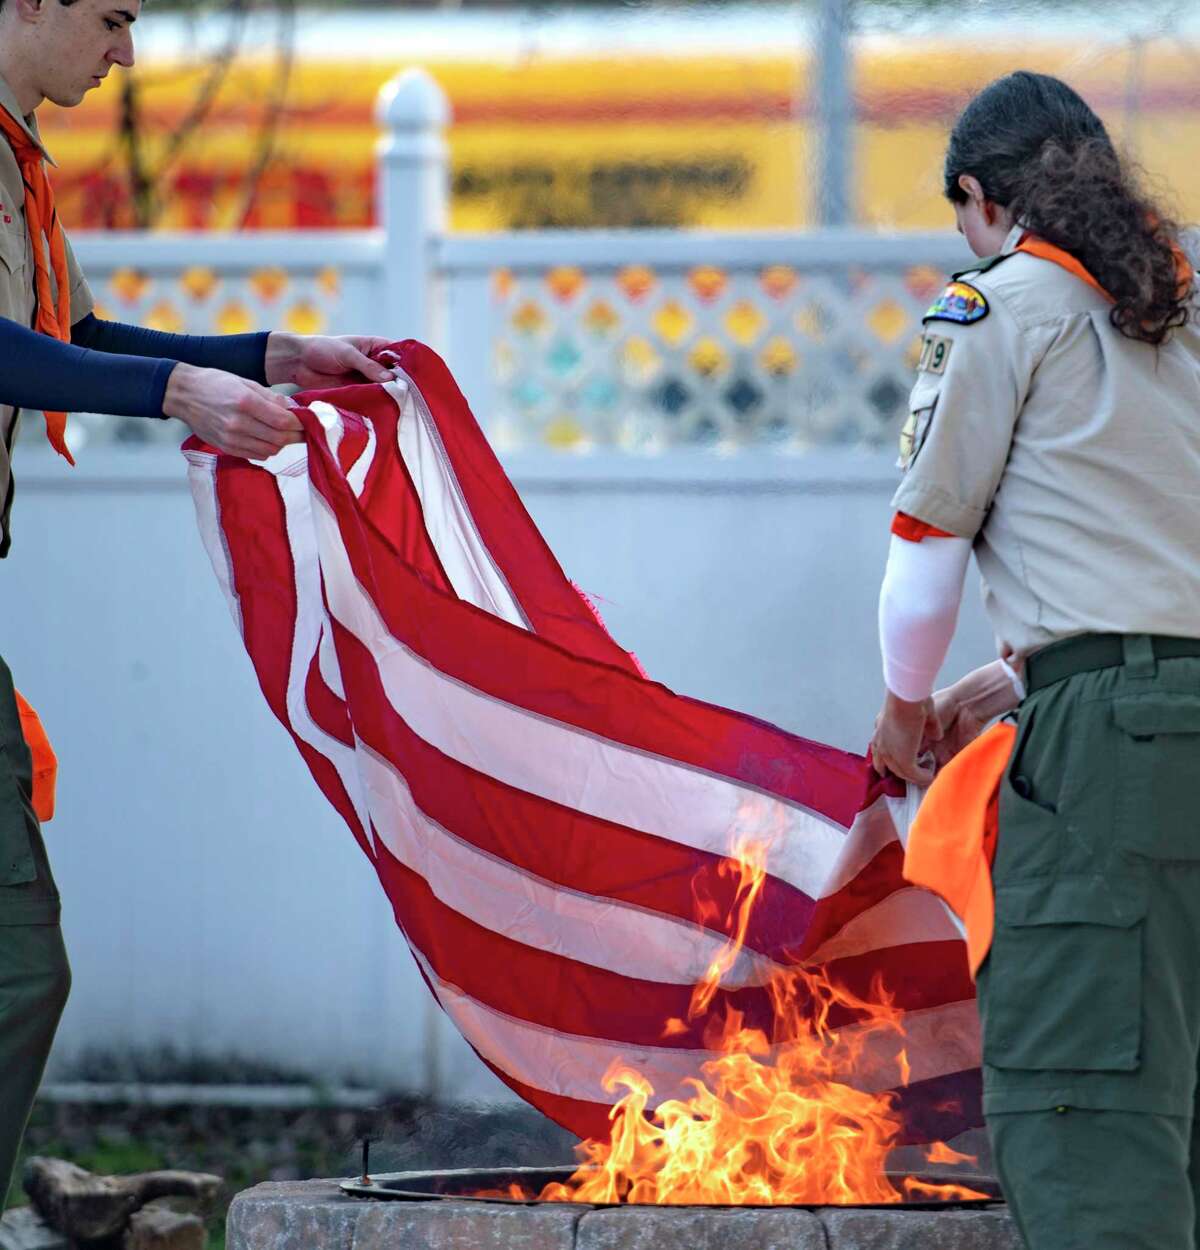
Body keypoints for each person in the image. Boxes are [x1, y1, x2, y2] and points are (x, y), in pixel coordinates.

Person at [0, 0, 398, 1204]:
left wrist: (264, 356)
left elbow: (67, 331)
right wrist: (178, 391)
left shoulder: (18, 162)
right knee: (19, 961)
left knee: (19, 956)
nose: (125, 54)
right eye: (111, 18)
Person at [869, 70, 1200, 1249]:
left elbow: (925, 558)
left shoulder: (998, 307)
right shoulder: (1182, 310)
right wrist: (1015, 679)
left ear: (981, 195)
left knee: (1091, 1123)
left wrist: (903, 711)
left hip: (1110, 754)